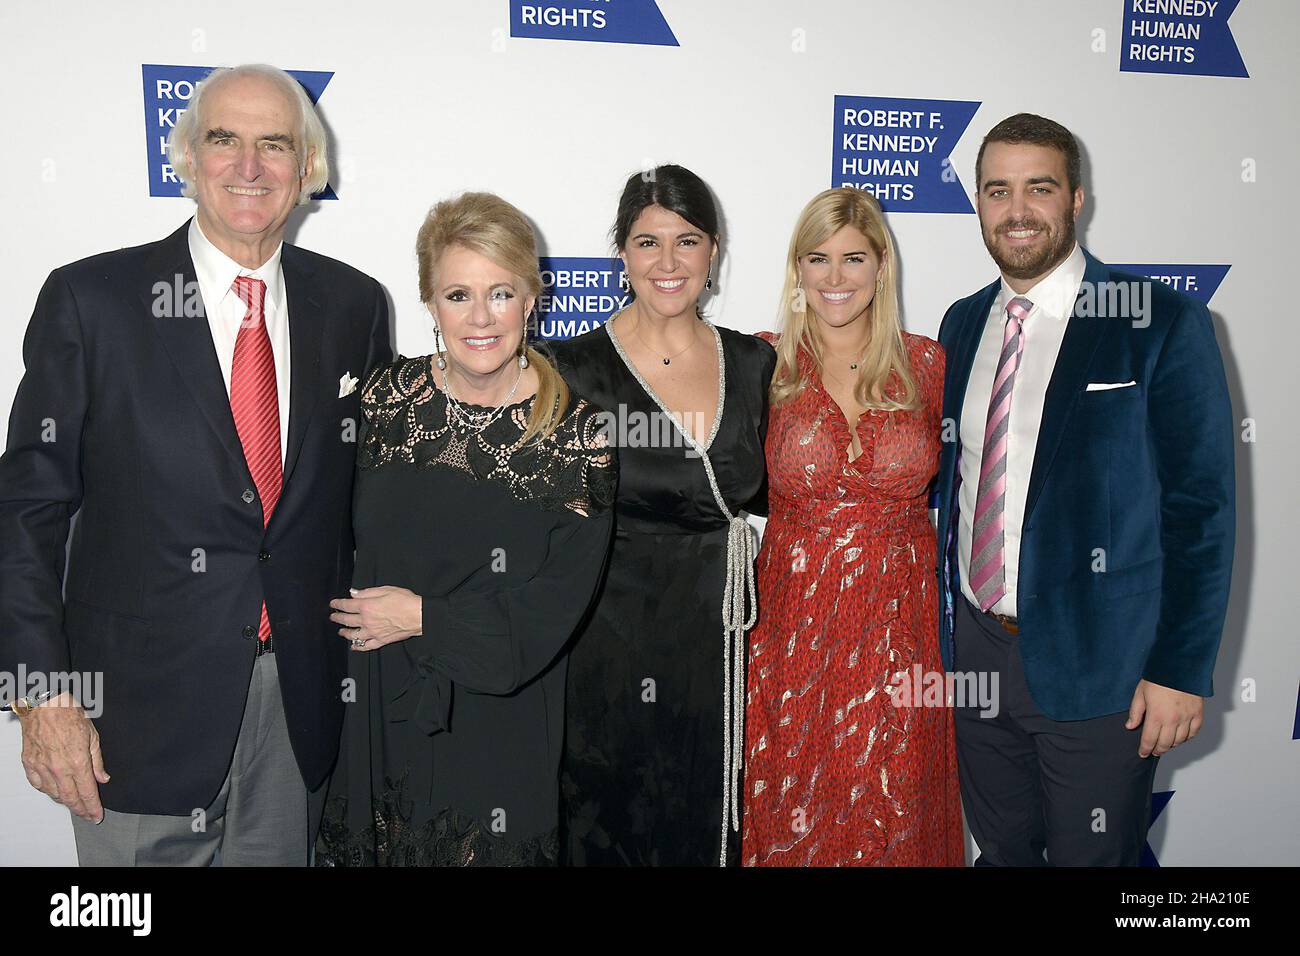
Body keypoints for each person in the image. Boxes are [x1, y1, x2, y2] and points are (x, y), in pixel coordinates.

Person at [0, 63, 392, 865]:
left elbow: (366, 500)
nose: (250, 167)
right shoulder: (93, 301)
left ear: (308, 169)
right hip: (130, 725)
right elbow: (25, 512)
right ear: (186, 159)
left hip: (298, 717)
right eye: (224, 140)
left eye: (275, 145)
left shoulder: (352, 305)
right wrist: (39, 695)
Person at [934, 113, 1235, 866]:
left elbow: (1201, 513)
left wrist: (1178, 670)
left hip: (1104, 665)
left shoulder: (1159, 320)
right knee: (1002, 853)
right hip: (974, 655)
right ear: (977, 204)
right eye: (997, 191)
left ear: (1076, 198)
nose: (1017, 210)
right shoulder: (962, 323)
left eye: (1038, 187)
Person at [315, 192, 616, 866]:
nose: (480, 318)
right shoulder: (381, 402)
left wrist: (423, 617)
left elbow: (550, 612)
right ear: (429, 303)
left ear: (531, 298)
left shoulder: (580, 436)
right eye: (458, 294)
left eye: (500, 293)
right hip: (373, 711)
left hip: (499, 727)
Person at [552, 164, 776, 866]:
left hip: (721, 648)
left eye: (687, 240)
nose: (668, 262)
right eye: (648, 242)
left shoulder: (754, 362)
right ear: (621, 253)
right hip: (604, 649)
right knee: (606, 827)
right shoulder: (570, 368)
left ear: (714, 252)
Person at [742, 188, 963, 866]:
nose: (835, 278)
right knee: (791, 805)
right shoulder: (760, 362)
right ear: (797, 269)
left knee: (894, 803)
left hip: (900, 627)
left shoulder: (929, 363)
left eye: (853, 258)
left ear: (881, 265)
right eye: (818, 259)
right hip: (790, 630)